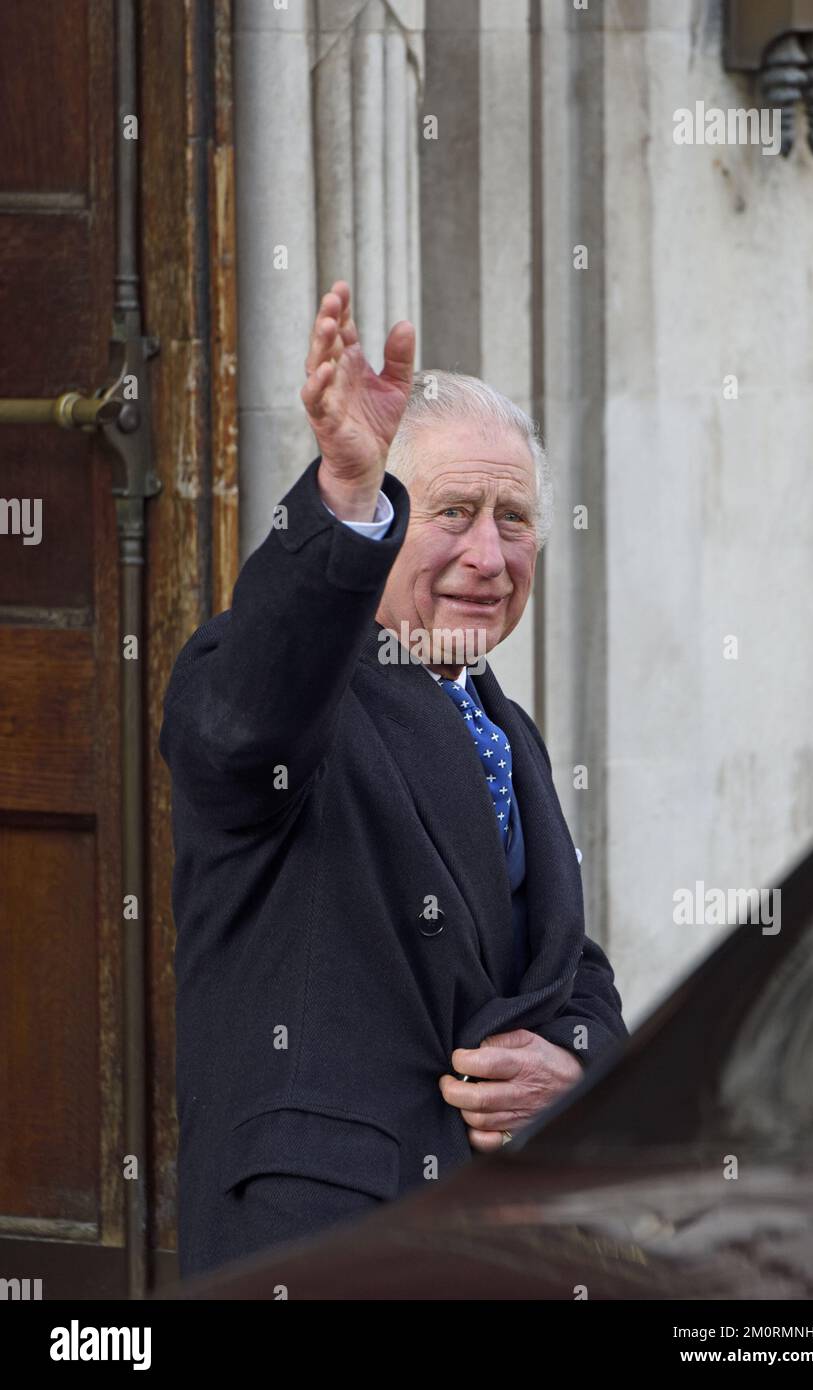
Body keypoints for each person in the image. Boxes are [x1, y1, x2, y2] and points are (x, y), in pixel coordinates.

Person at [160, 281, 628, 1277]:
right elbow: (249, 720)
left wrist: (575, 1062)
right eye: (451, 511)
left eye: (514, 519)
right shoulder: (284, 685)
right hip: (321, 1238)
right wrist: (341, 495)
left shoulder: (509, 727)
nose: (487, 556)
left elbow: (564, 964)